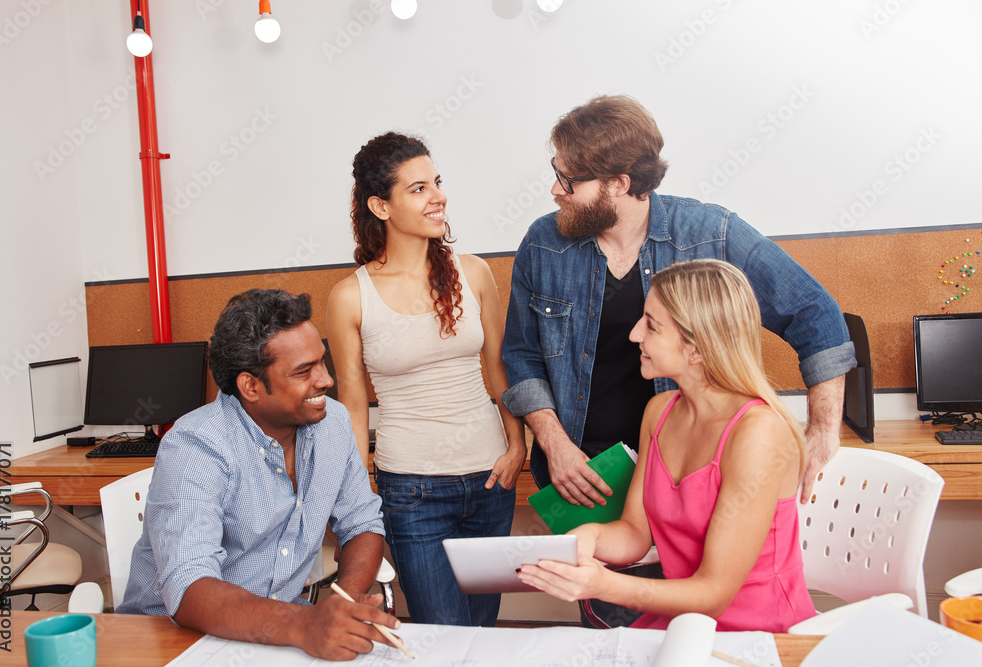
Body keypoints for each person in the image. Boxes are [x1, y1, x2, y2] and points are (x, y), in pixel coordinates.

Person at [502, 95, 855, 511]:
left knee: (696, 577)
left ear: (619, 183)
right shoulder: (543, 243)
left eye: (569, 181)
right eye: (556, 174)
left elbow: (815, 313)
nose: (555, 190)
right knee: (593, 575)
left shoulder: (712, 234)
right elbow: (522, 355)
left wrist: (824, 429)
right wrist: (553, 443)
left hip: (696, 472)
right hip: (582, 476)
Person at [518, 259, 818, 632]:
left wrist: (603, 584)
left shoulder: (758, 432)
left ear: (695, 348)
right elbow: (634, 532)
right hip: (683, 623)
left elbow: (715, 593)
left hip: (756, 632)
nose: (634, 334)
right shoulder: (659, 411)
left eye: (651, 326)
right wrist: (589, 537)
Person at [118, 289, 399, 662]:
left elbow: (362, 523)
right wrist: (305, 624)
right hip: (175, 643)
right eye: (304, 371)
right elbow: (189, 589)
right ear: (250, 386)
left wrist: (344, 605)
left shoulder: (333, 423)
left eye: (321, 361)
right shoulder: (195, 447)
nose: (325, 380)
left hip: (275, 633)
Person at [325, 132, 526, 627]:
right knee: (443, 634)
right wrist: (359, 491)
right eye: (417, 189)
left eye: (436, 183)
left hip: (490, 477)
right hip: (410, 488)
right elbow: (352, 404)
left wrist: (516, 444)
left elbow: (499, 370)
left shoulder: (475, 274)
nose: (437, 197)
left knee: (481, 629)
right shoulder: (351, 297)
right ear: (380, 205)